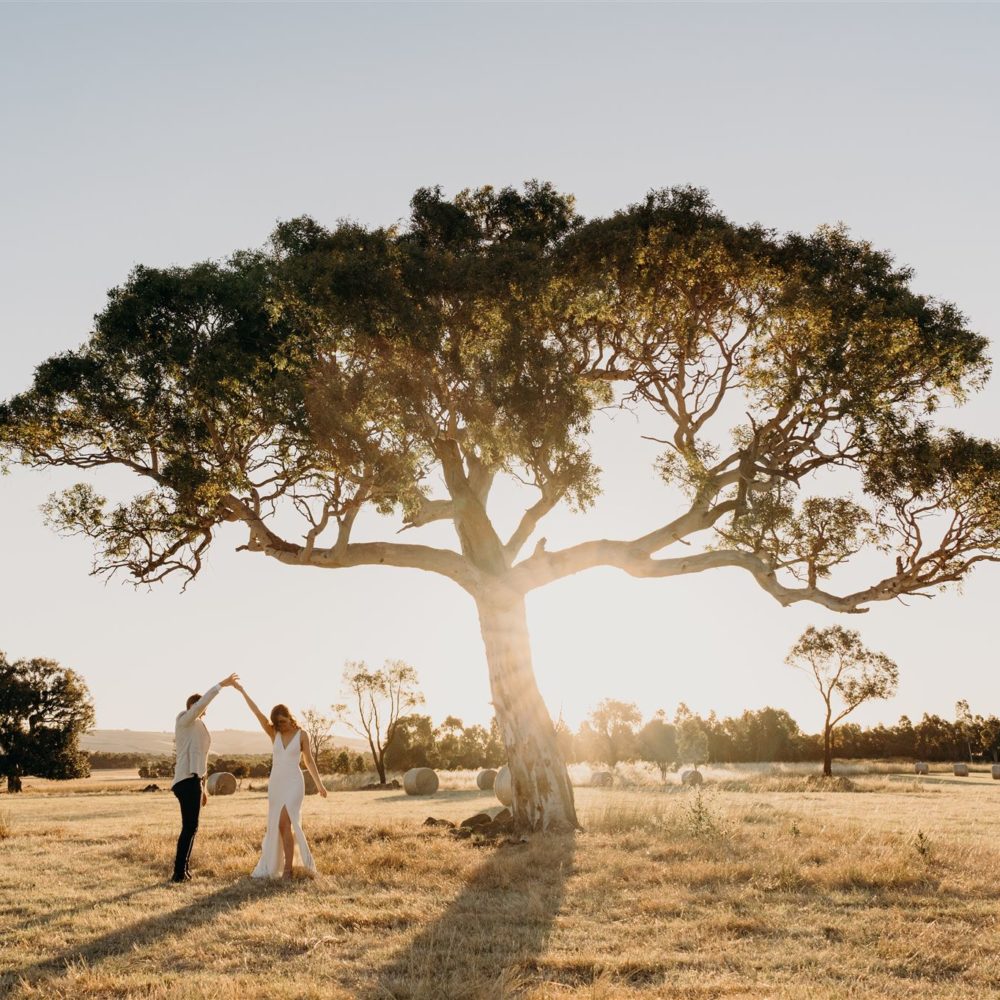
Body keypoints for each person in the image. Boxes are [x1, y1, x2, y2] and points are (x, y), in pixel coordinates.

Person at [234, 681, 327, 879]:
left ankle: (288, 870)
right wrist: (242, 690)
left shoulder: (302, 735)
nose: (281, 726)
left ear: (289, 717)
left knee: (286, 821)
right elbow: (257, 713)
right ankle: (283, 865)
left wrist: (320, 785)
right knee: (280, 825)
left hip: (294, 782)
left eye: (283, 722)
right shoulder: (273, 733)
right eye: (277, 723)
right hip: (276, 783)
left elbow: (308, 761)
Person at [171, 672, 239, 883]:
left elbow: (201, 756)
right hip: (185, 780)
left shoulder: (198, 726)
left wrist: (202, 785)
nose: (204, 713)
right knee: (189, 826)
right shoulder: (185, 720)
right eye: (201, 709)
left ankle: (184, 870)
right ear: (194, 706)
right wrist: (221, 685)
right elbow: (201, 705)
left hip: (194, 781)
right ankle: (178, 872)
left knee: (192, 827)